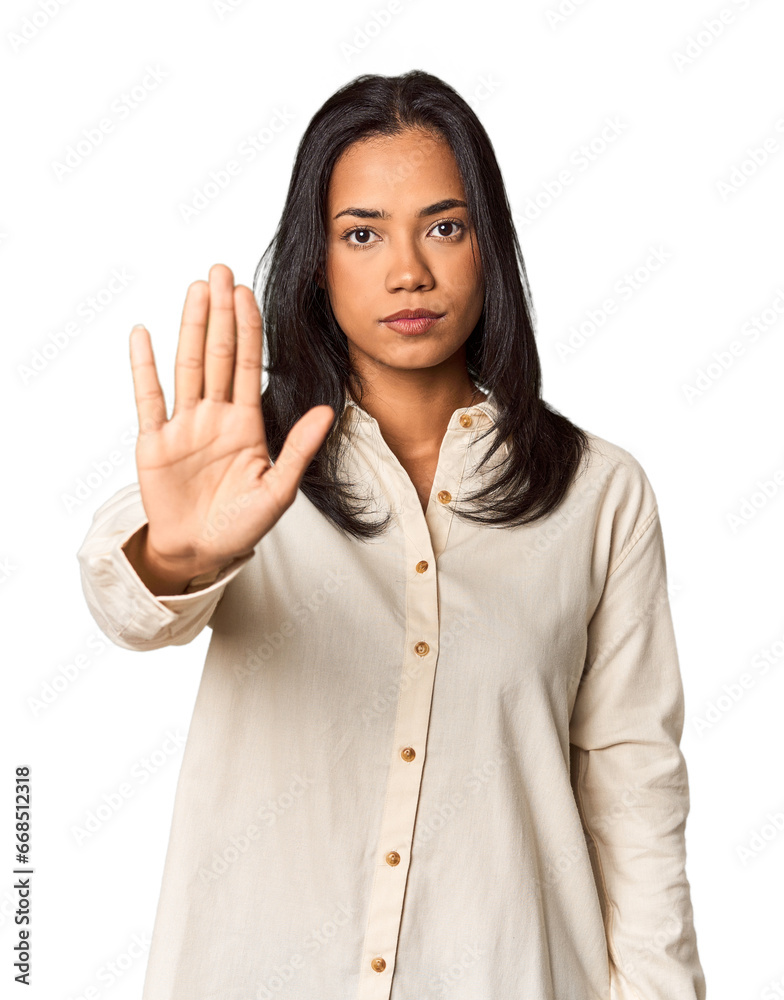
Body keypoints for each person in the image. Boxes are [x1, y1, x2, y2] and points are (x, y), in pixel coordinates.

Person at [77, 70, 706, 1000]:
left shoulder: (598, 493)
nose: (408, 269)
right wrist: (186, 555)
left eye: (444, 227)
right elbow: (129, 603)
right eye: (361, 233)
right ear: (316, 259)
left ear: (489, 247)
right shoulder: (246, 472)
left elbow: (634, 784)